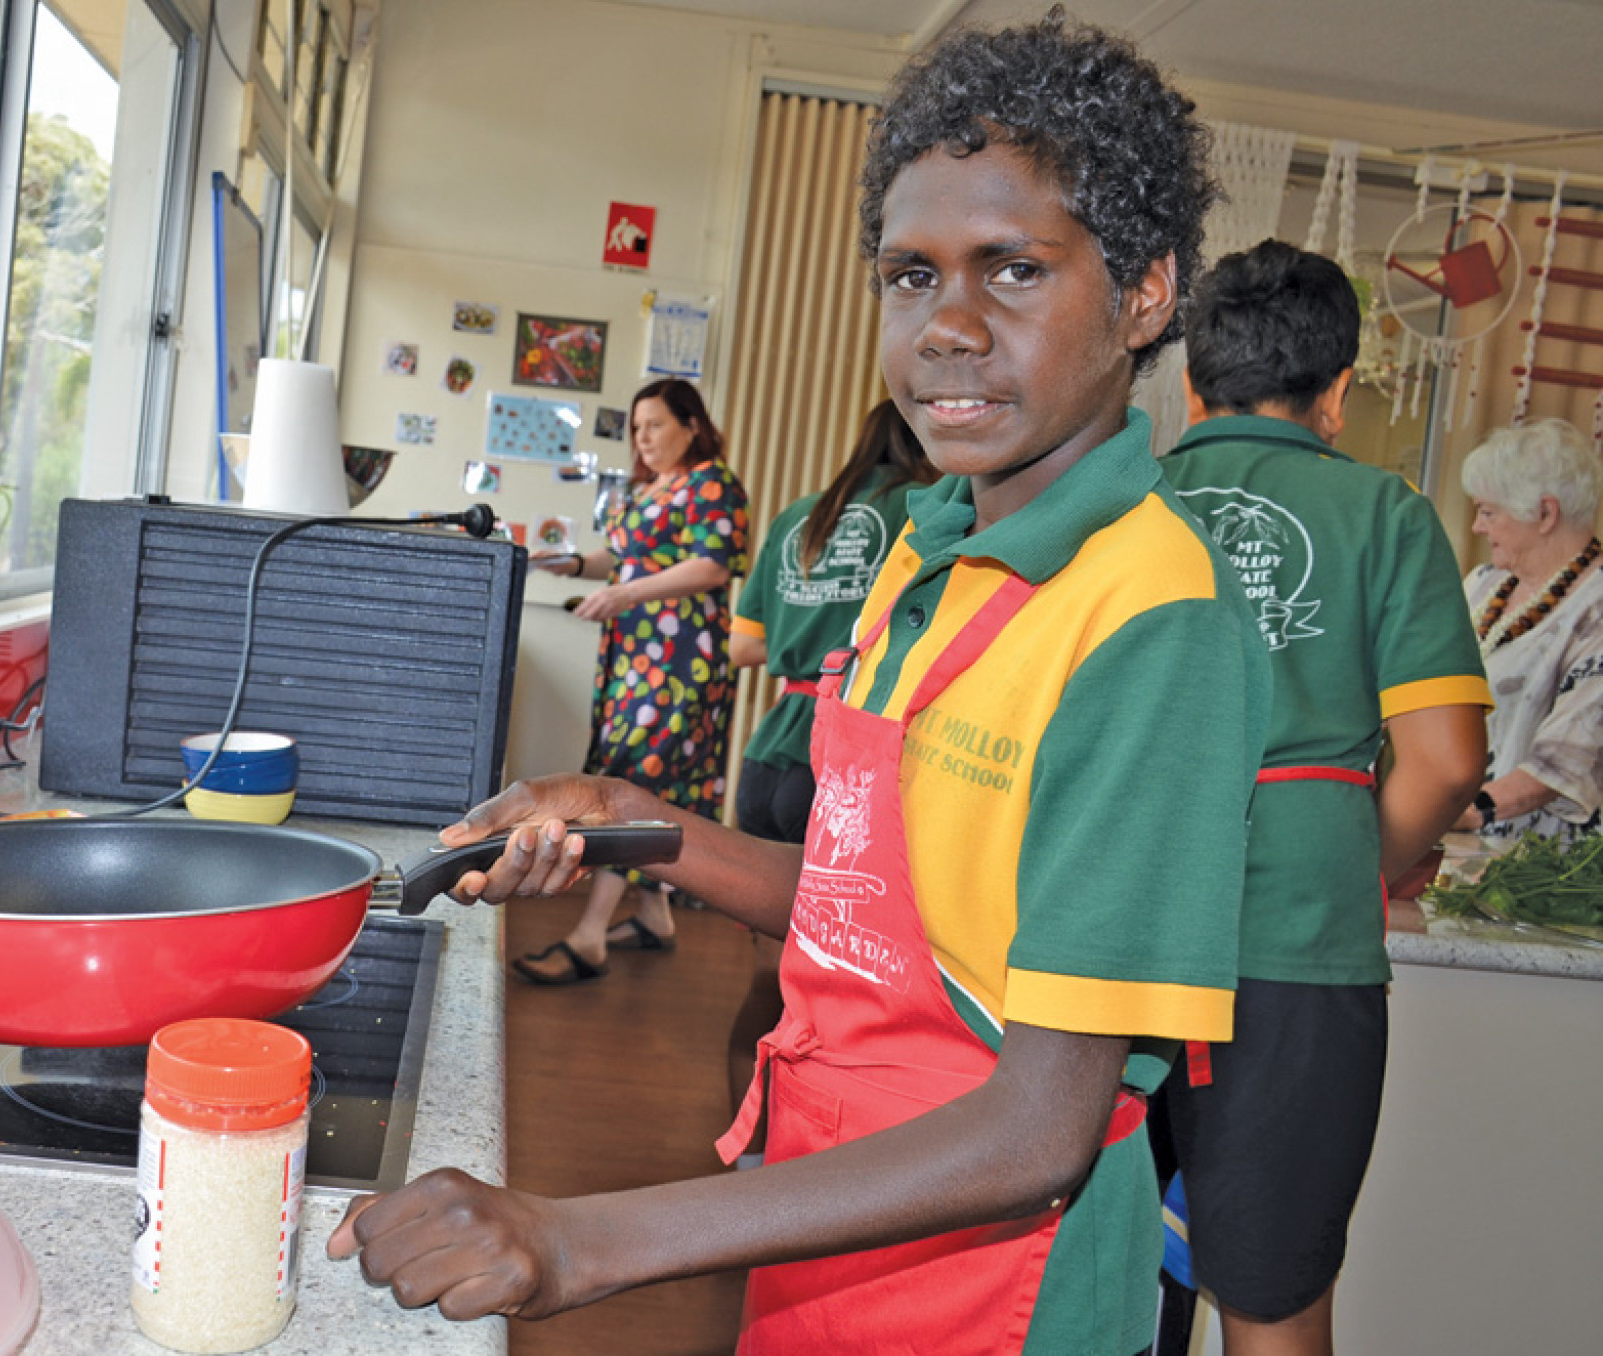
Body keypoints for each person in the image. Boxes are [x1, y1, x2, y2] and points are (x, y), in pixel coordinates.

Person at [328, 15, 1272, 1353]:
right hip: (824, 1222)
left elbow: (1037, 1133)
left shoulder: (1152, 623)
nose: (948, 327)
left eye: (1014, 269)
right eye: (909, 276)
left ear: (1144, 296)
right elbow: (860, 909)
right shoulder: (926, 555)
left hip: (995, 1295)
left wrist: (582, 1239)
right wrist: (628, 817)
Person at [1152, 239, 1490, 1356]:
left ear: (1190, 384)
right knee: (1274, 1302)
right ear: (1337, 393)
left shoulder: (1116, 504)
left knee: (1081, 1286)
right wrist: (1354, 864)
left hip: (1106, 933)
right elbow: (1444, 761)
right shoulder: (1383, 514)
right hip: (1296, 946)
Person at [724, 396, 936, 1161]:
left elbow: (745, 647)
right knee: (843, 989)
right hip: (843, 756)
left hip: (769, 753)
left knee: (766, 978)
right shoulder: (928, 512)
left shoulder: (799, 518)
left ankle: (749, 1151)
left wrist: (803, 628)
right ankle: (820, 1165)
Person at [521, 377, 749, 984]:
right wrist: (570, 563)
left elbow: (713, 565)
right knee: (649, 775)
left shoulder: (712, 483)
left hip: (681, 659)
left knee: (637, 778)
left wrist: (624, 594)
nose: (643, 438)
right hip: (633, 658)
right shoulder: (647, 489)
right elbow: (620, 557)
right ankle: (655, 916)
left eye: (655, 425)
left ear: (691, 427)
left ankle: (589, 936)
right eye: (637, 428)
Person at [1450, 417, 1603, 843]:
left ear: (1545, 513)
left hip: (1546, 860)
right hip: (1464, 841)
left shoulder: (1595, 606)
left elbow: (1566, 759)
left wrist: (1467, 812)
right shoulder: (1483, 585)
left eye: (1488, 512)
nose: (1478, 527)